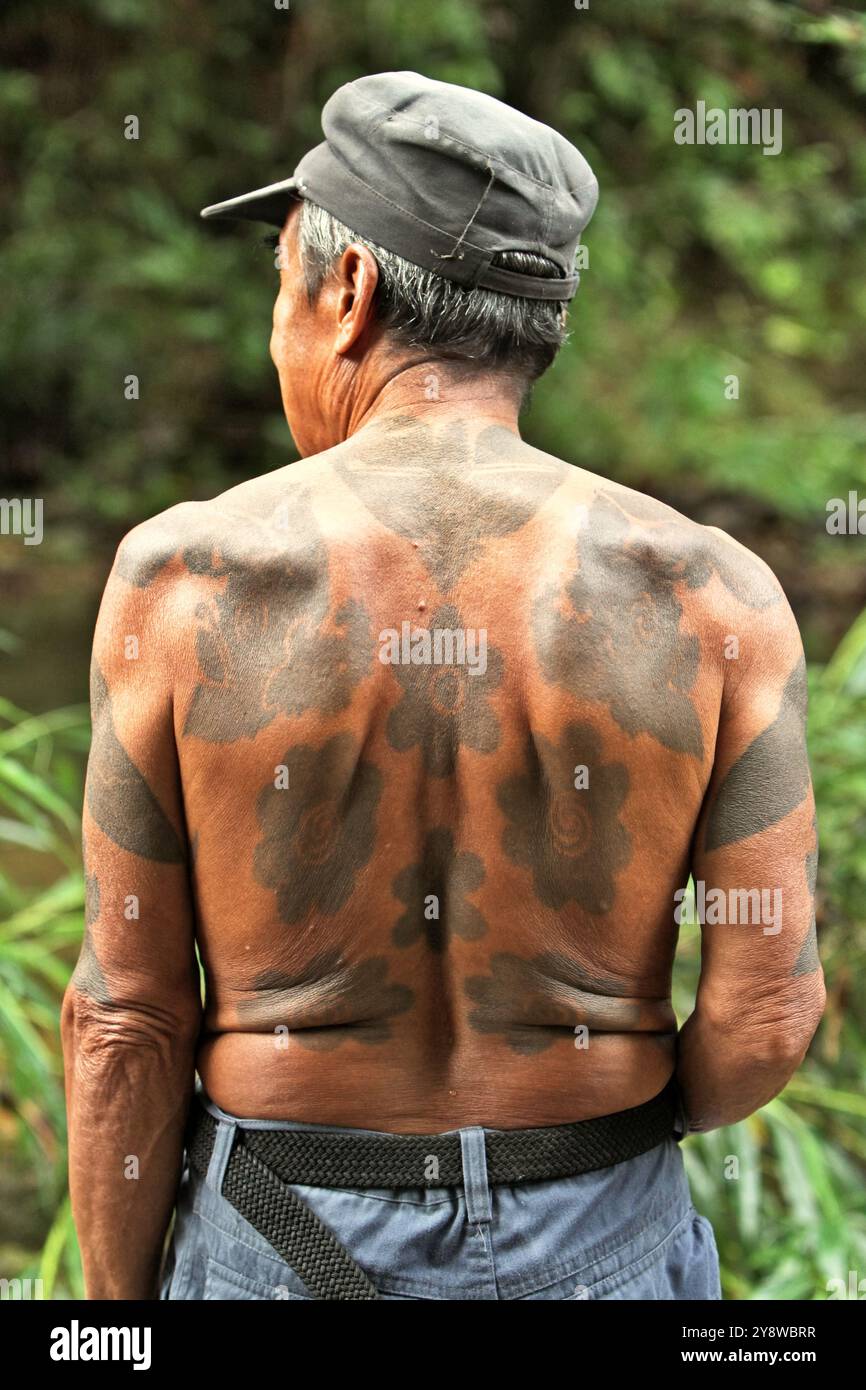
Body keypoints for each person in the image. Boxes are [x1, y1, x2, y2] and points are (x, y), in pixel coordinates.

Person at [61, 71, 824, 1301]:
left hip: (283, 1227)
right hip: (596, 1222)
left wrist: (112, 1321)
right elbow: (768, 1012)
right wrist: (575, 1148)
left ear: (347, 294)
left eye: (282, 288)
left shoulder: (184, 581)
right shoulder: (713, 595)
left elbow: (123, 1019)